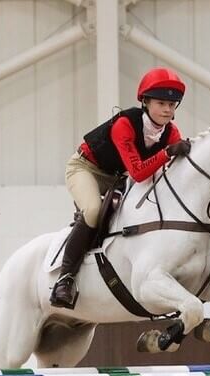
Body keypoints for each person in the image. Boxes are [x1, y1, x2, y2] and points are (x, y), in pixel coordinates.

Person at [50, 67, 193, 309]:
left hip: (118, 177)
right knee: (94, 211)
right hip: (86, 169)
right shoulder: (125, 124)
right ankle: (65, 279)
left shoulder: (171, 132)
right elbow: (138, 172)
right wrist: (168, 152)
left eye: (173, 104)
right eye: (161, 103)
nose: (168, 110)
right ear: (145, 102)